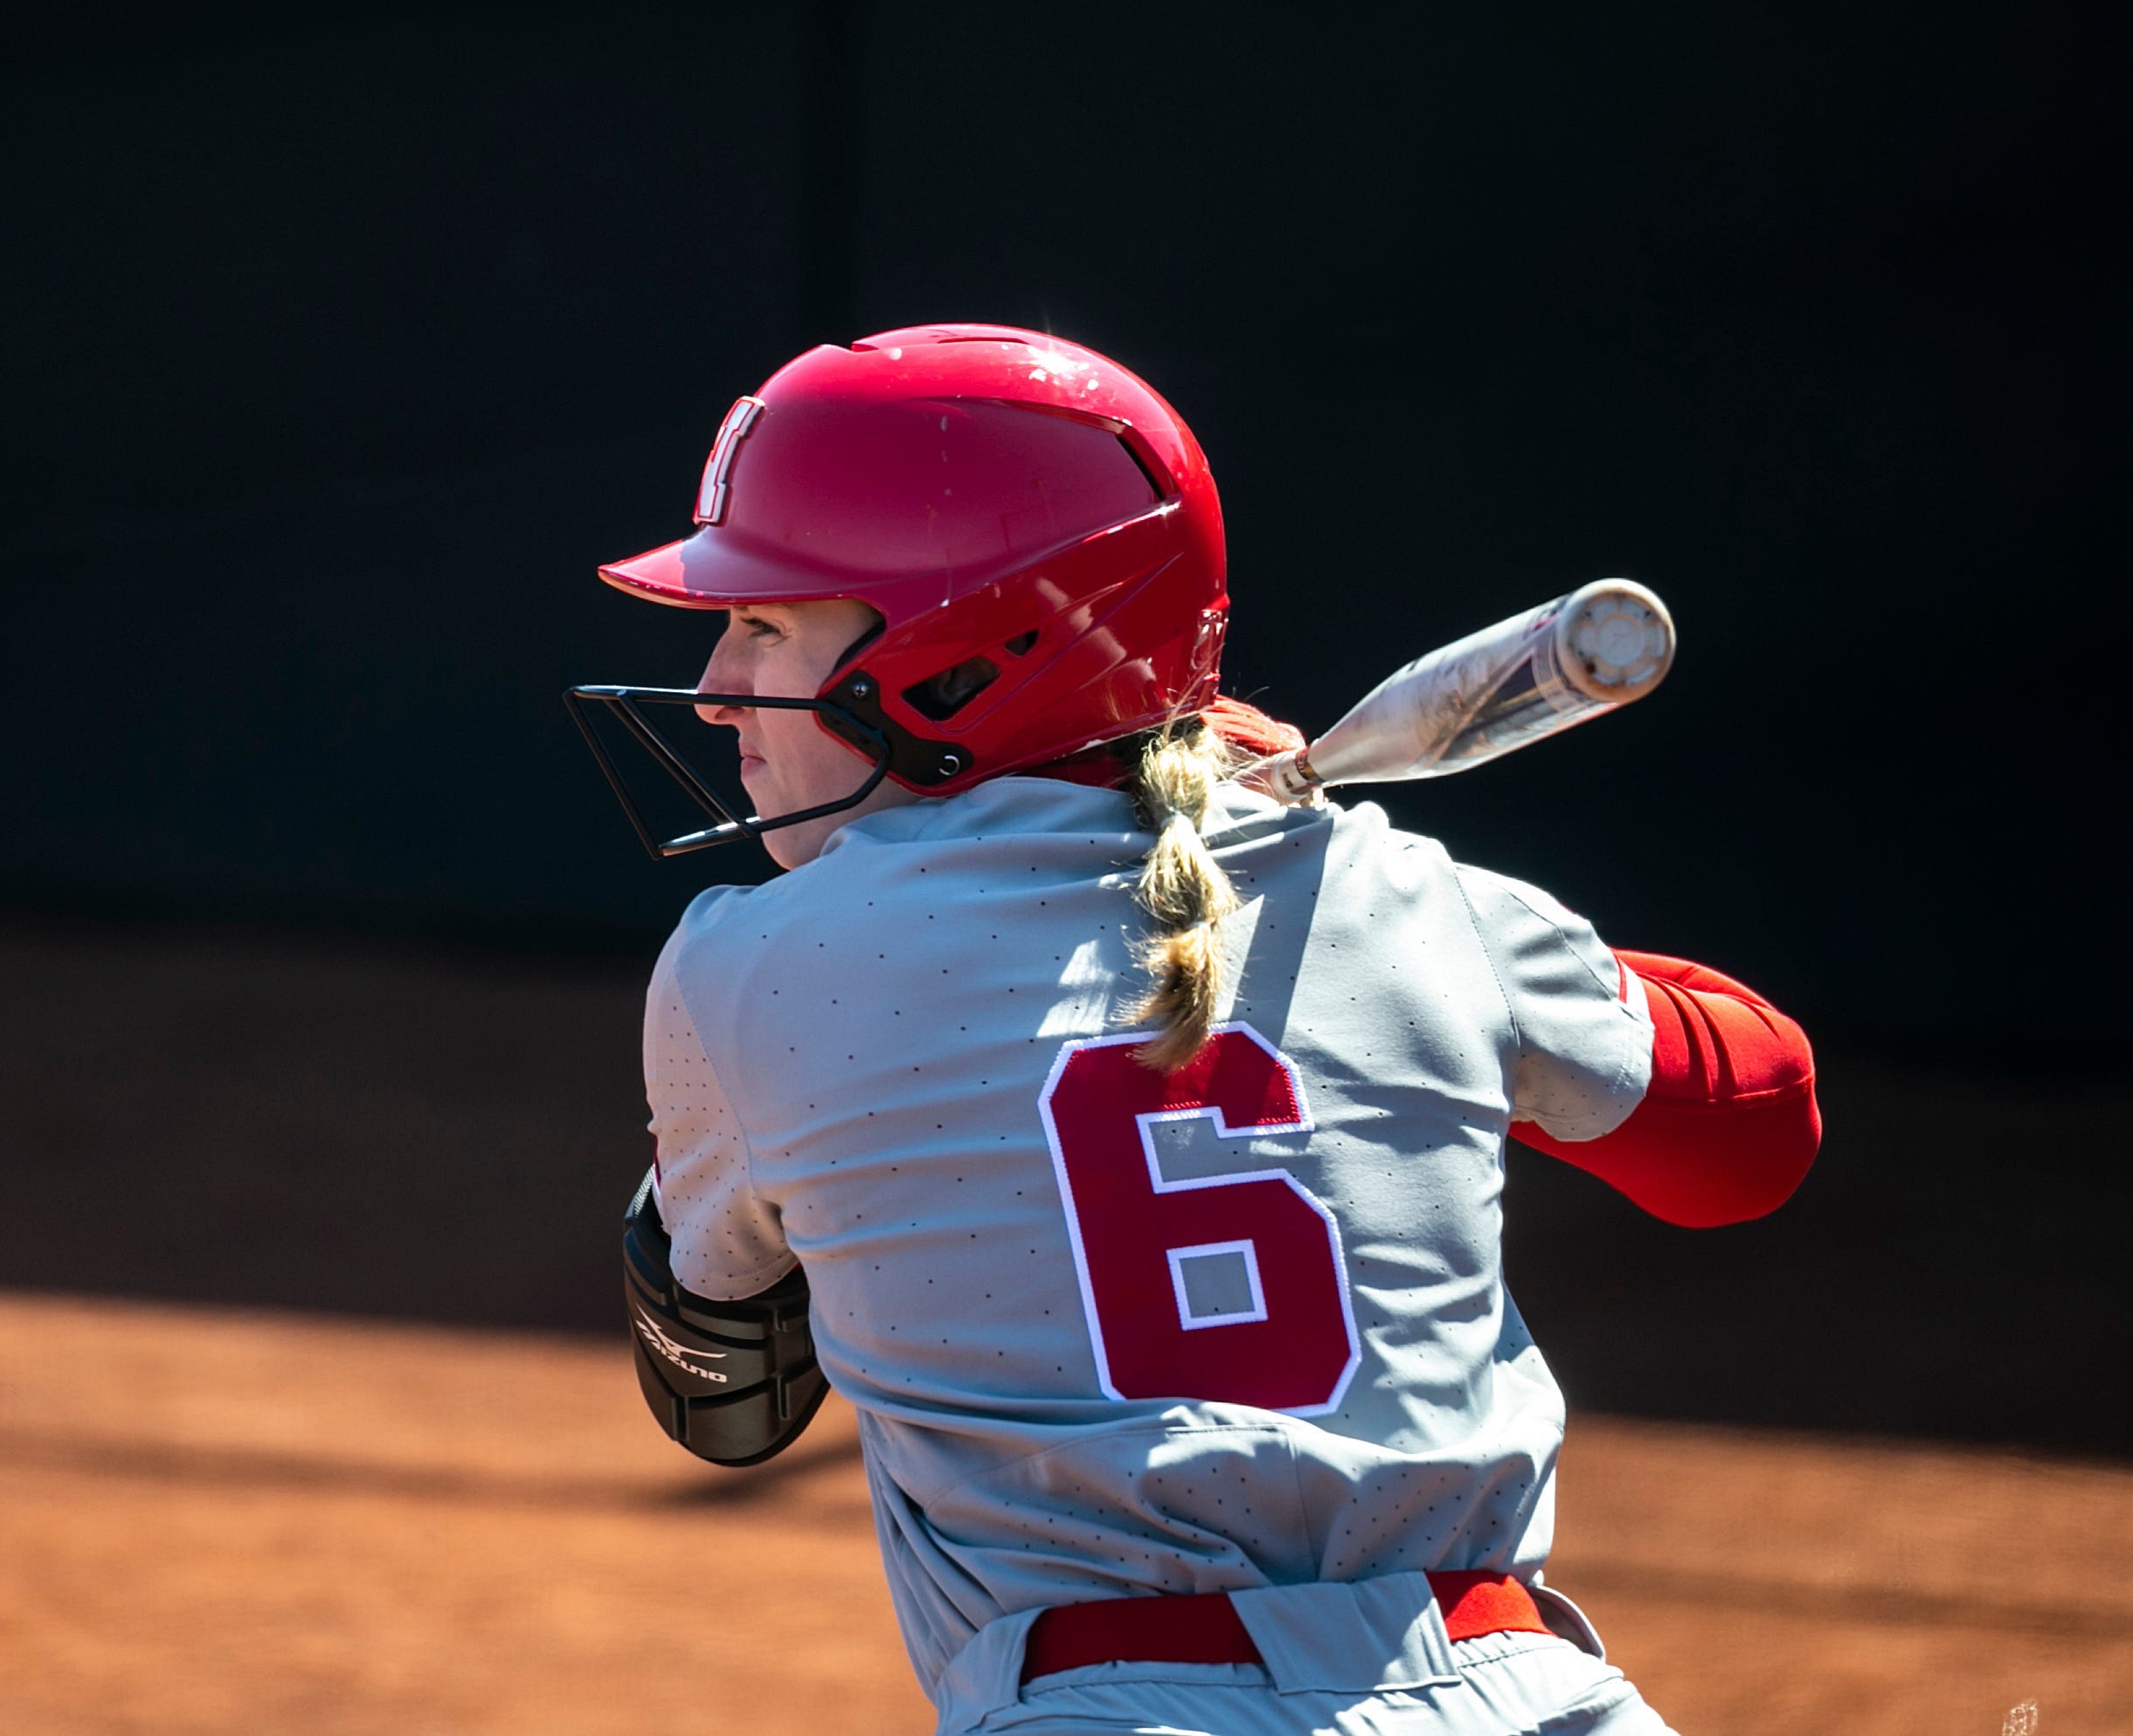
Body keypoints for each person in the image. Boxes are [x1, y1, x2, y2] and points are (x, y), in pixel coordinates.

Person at [577, 325, 1820, 1736]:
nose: (725, 686)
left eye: (765, 622)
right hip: (1530, 1701)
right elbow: (1750, 1137)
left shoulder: (748, 969)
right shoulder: (1407, 898)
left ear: (961, 658)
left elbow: (722, 1394)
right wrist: (1441, 969)